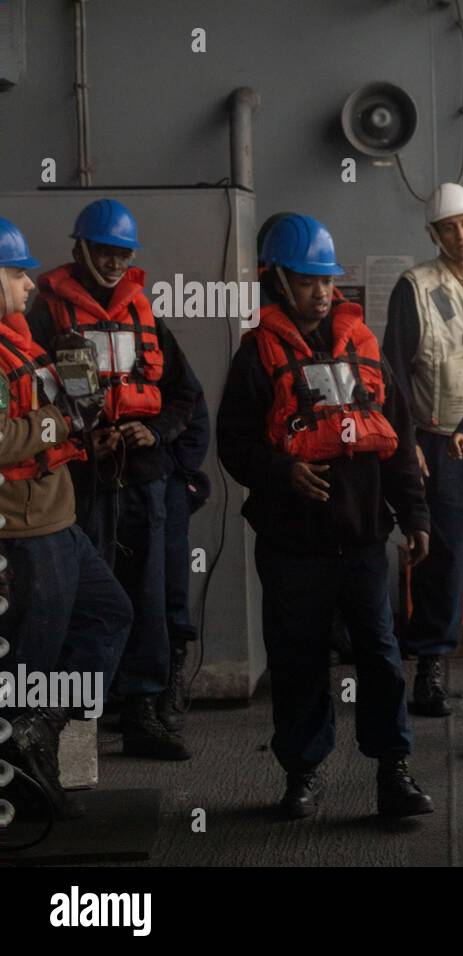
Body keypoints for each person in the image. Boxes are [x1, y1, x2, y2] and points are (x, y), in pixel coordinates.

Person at [216, 213, 436, 820]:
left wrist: (414, 512)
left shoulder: (363, 347)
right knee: (298, 661)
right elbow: (233, 444)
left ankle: (394, 771)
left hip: (364, 536)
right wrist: (281, 470)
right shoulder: (256, 356)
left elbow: (399, 435)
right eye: (308, 279)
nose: (321, 290)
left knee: (382, 658)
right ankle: (302, 773)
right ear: (278, 279)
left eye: (326, 279)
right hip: (293, 547)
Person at [26, 198, 199, 761]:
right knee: (79, 606)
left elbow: (185, 396)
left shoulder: (143, 313)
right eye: (104, 251)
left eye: (122, 253)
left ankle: (142, 711)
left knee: (145, 595)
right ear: (79, 248)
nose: (113, 262)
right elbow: (30, 405)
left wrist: (158, 432)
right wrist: (80, 446)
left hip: (144, 478)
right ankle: (74, 737)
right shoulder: (44, 314)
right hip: (80, 483)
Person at [0, 216, 133, 819]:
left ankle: (43, 726)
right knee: (25, 665)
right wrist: (62, 420)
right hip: (24, 536)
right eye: (15, 272)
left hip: (59, 522)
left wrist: (81, 411)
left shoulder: (20, 339)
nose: (29, 284)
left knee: (109, 614)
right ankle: (19, 791)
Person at [383, 183, 463, 717]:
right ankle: (431, 664)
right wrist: (407, 442)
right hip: (441, 445)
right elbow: (392, 372)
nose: (461, 235)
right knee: (448, 557)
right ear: (434, 234)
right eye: (449, 227)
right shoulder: (415, 286)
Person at [157, 360, 210, 733]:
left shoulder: (150, 331)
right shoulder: (62, 321)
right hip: (105, 481)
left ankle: (170, 680)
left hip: (162, 483)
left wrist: (175, 471)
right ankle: (133, 696)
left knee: (171, 579)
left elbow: (194, 405)